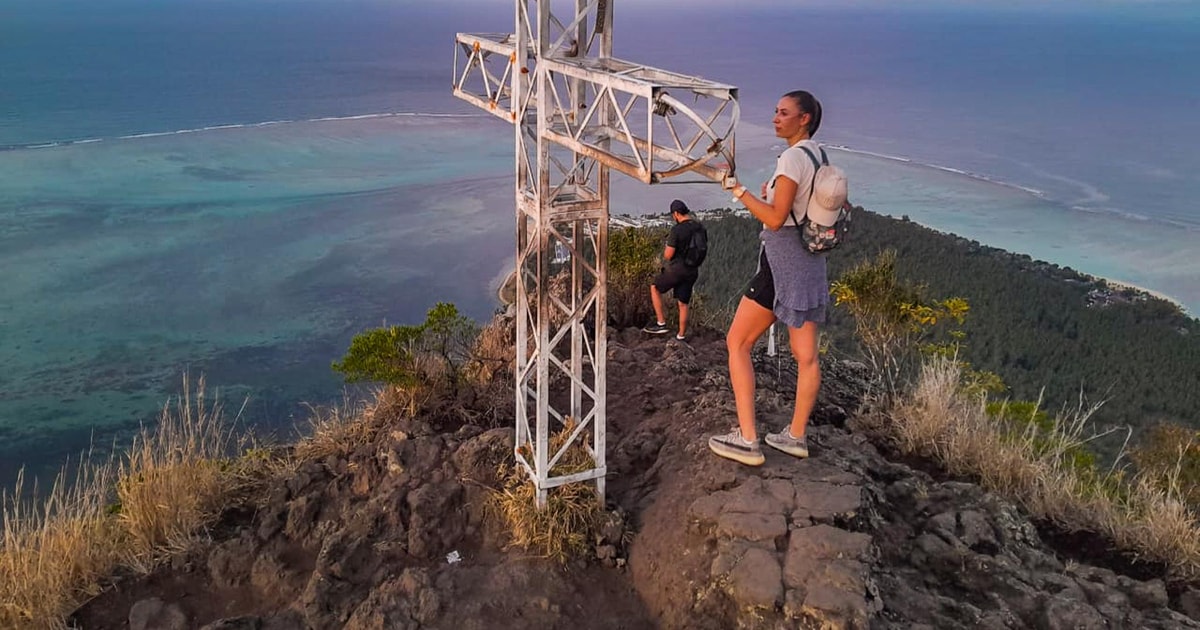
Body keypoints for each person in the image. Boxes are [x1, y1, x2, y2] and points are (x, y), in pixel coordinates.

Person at [708, 89, 841, 466]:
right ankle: (796, 436)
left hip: (780, 265)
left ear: (804, 119)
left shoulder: (792, 159)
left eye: (784, 113)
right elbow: (798, 206)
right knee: (807, 356)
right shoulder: (819, 155)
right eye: (775, 111)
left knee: (737, 343)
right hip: (812, 263)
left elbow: (775, 218)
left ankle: (748, 440)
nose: (774, 118)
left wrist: (738, 190)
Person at [642, 199, 706, 341]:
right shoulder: (699, 227)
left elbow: (668, 254)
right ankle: (681, 336)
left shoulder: (677, 230)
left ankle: (661, 323)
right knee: (683, 303)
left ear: (676, 214)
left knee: (655, 287)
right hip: (693, 270)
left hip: (677, 269)